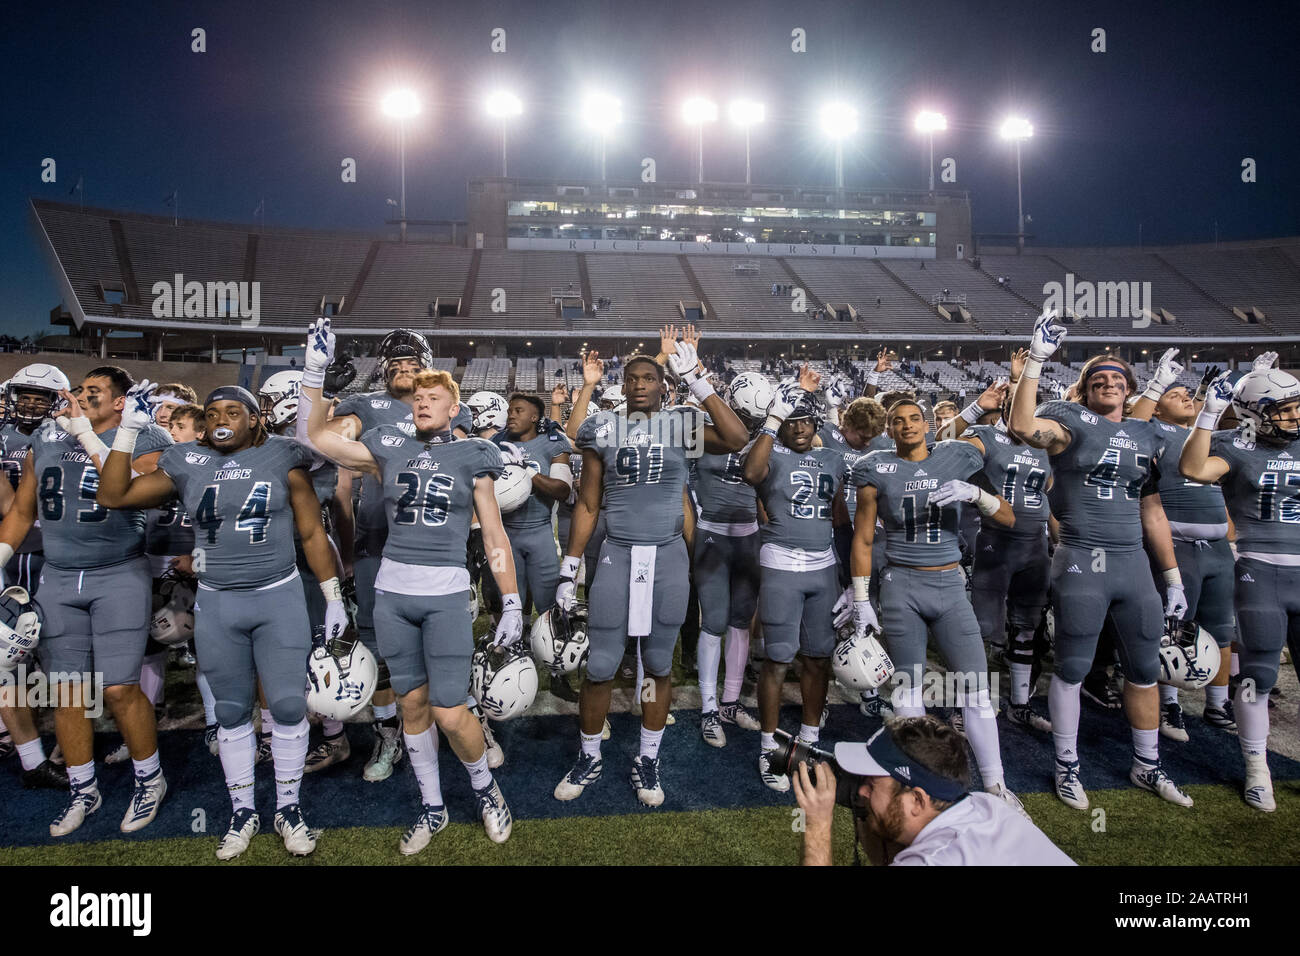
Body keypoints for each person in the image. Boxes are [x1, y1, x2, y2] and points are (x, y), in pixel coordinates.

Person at [299, 318, 521, 853]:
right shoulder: (386, 448)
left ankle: (486, 790)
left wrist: (510, 602)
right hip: (393, 594)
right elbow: (316, 436)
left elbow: (493, 534)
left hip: (443, 591)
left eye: (432, 395)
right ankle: (432, 805)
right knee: (412, 706)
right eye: (417, 395)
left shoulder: (474, 454)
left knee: (450, 709)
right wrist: (315, 374)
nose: (421, 401)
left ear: (454, 408)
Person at [97, 383, 344, 860]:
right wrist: (128, 430)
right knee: (230, 710)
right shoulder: (187, 460)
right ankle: (242, 810)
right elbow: (113, 495)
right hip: (217, 600)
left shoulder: (282, 455)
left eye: (234, 411)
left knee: (290, 705)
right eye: (212, 413)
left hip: (278, 596)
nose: (221, 419)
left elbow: (312, 530)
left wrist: (333, 598)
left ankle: (288, 808)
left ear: (255, 419)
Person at [553, 325, 748, 806]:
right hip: (618, 552)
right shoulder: (604, 427)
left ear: (663, 385)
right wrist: (570, 566)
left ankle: (647, 757)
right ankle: (590, 754)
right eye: (632, 377)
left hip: (667, 555)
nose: (640, 383)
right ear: (622, 385)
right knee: (599, 665)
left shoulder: (682, 424)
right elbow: (589, 503)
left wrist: (698, 376)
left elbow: (737, 436)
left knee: (659, 663)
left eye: (649, 377)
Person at [1009, 313, 1193, 810]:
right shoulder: (1072, 422)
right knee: (1071, 668)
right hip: (1082, 558)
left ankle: (1147, 764)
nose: (1108, 383)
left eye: (1117, 379)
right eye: (1097, 379)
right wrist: (1037, 361)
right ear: (1085, 391)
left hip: (1133, 564)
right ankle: (1066, 765)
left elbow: (1152, 511)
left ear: (1129, 390)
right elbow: (1022, 425)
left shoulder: (1144, 434)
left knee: (1144, 670)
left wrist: (1172, 577)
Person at [0, 367, 172, 837]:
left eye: (94, 391)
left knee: (118, 688)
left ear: (120, 401)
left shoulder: (145, 433)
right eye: (80, 389)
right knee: (66, 691)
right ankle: (83, 788)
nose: (82, 396)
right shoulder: (49, 436)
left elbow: (126, 493)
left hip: (118, 572)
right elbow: (21, 508)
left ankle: (149, 779)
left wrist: (92, 435)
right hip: (57, 575)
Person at [311, 328, 472, 783]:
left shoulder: (448, 406)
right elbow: (320, 441)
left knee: (447, 643)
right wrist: (325, 390)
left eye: (412, 364)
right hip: (377, 541)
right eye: (395, 365)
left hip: (440, 548)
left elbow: (469, 474)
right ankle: (388, 732)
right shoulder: (365, 405)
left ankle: (460, 719)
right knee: (380, 645)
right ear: (382, 369)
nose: (404, 371)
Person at [849, 398, 1025, 813]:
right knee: (909, 692)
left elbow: (1009, 517)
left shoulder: (958, 456)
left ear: (928, 425)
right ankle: (919, 782)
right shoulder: (875, 467)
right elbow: (863, 538)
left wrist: (976, 494)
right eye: (898, 421)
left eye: (914, 419)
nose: (907, 426)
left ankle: (996, 785)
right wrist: (860, 599)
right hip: (900, 585)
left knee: (977, 691)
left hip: (948, 583)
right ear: (888, 429)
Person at [1179, 357, 1300, 811]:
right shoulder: (1235, 445)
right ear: (1254, 412)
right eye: (1284, 409)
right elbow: (1192, 469)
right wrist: (1210, 412)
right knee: (1258, 676)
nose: (1294, 416)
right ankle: (1257, 768)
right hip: (1260, 572)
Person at [745, 367, 850, 790]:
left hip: (823, 566)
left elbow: (841, 515)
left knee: (819, 658)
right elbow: (751, 474)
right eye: (793, 421)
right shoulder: (770, 452)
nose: (801, 428)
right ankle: (769, 747)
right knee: (777, 659)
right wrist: (773, 421)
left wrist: (850, 582)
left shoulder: (831, 456)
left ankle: (808, 741)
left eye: (807, 420)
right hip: (782, 563)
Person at [793, 716, 1074, 866]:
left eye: (871, 784)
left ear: (917, 800)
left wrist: (818, 825)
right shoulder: (986, 806)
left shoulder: (934, 861)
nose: (862, 792)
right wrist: (870, 810)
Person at [1130, 349, 1236, 739]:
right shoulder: (1156, 430)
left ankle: (1217, 703)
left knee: (1221, 627)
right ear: (1158, 409)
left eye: (1187, 394)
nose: (1186, 398)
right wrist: (1157, 385)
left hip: (1218, 547)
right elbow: (1127, 427)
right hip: (1178, 541)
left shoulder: (1211, 436)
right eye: (1175, 396)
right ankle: (1170, 706)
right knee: (1175, 627)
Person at [0, 364, 71, 790]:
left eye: (39, 397)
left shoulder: (68, 436)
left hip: (55, 556)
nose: (28, 404)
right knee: (6, 659)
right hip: (12, 557)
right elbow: (13, 508)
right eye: (23, 395)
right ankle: (32, 758)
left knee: (61, 657)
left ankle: (67, 739)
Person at [691, 374, 769, 746]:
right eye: (743, 417)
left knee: (741, 621)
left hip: (748, 536)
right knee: (715, 621)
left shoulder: (768, 436)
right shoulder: (701, 431)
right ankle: (708, 707)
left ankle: (729, 702)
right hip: (711, 534)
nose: (748, 426)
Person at [492, 393, 575, 620]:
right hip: (504, 532)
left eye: (518, 411)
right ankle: (517, 640)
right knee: (509, 599)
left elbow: (562, 489)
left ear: (534, 417)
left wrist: (526, 470)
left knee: (547, 600)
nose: (511, 415)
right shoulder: (495, 443)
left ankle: (549, 645)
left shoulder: (551, 443)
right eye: (510, 411)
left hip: (539, 531)